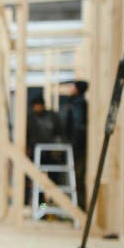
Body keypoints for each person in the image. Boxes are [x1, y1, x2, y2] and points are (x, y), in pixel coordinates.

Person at [64, 80, 88, 209]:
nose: (69, 88)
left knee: (73, 178)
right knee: (40, 187)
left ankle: (45, 209)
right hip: (43, 154)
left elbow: (77, 127)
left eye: (72, 86)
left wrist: (73, 143)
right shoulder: (32, 117)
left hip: (69, 149)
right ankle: (43, 210)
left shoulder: (77, 104)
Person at [26, 95, 63, 159]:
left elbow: (59, 133)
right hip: (34, 149)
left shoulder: (52, 116)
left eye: (38, 105)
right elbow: (27, 134)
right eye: (35, 106)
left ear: (42, 105)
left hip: (50, 149)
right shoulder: (30, 118)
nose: (37, 108)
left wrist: (57, 147)